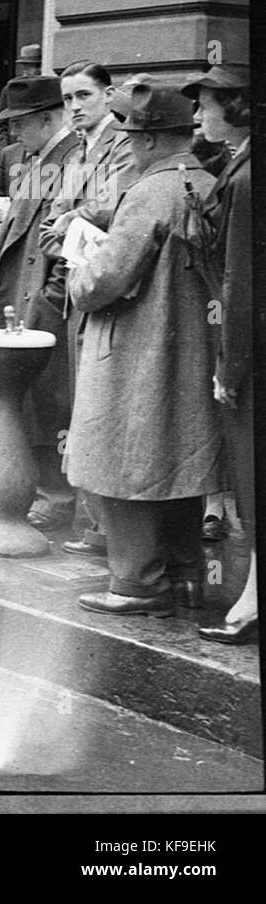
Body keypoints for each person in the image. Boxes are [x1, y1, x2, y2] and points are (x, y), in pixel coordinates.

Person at [69, 83, 223, 617]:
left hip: (135, 347)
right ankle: (186, 576)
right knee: (180, 459)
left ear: (154, 139)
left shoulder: (149, 191)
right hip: (194, 346)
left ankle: (135, 582)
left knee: (122, 461)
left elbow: (103, 281)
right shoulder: (209, 183)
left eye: (133, 138)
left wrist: (77, 270)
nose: (128, 148)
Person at [36, 60, 138, 557]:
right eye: (68, 99)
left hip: (108, 285)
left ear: (108, 95)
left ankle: (100, 526)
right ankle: (90, 521)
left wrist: (72, 214)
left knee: (96, 405)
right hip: (76, 277)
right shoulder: (79, 148)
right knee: (77, 402)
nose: (74, 107)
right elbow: (59, 207)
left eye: (84, 96)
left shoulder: (120, 142)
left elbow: (114, 204)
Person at [183, 64, 256, 643]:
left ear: (236, 108)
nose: (198, 115)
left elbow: (239, 281)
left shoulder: (243, 177)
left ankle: (251, 604)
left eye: (207, 105)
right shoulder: (237, 166)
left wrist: (229, 368)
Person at [0, 75, 79, 529]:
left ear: (47, 118)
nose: (13, 133)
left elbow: (76, 243)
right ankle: (31, 488)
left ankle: (57, 496)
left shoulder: (77, 161)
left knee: (50, 404)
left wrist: (50, 298)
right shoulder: (39, 158)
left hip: (43, 305)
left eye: (20, 123)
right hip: (22, 298)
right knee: (30, 402)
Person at [0, 44, 43, 151]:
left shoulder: (46, 88)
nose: (37, 70)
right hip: (16, 144)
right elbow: (0, 124)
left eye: (38, 65)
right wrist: (5, 148)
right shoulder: (11, 88)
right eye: (30, 66)